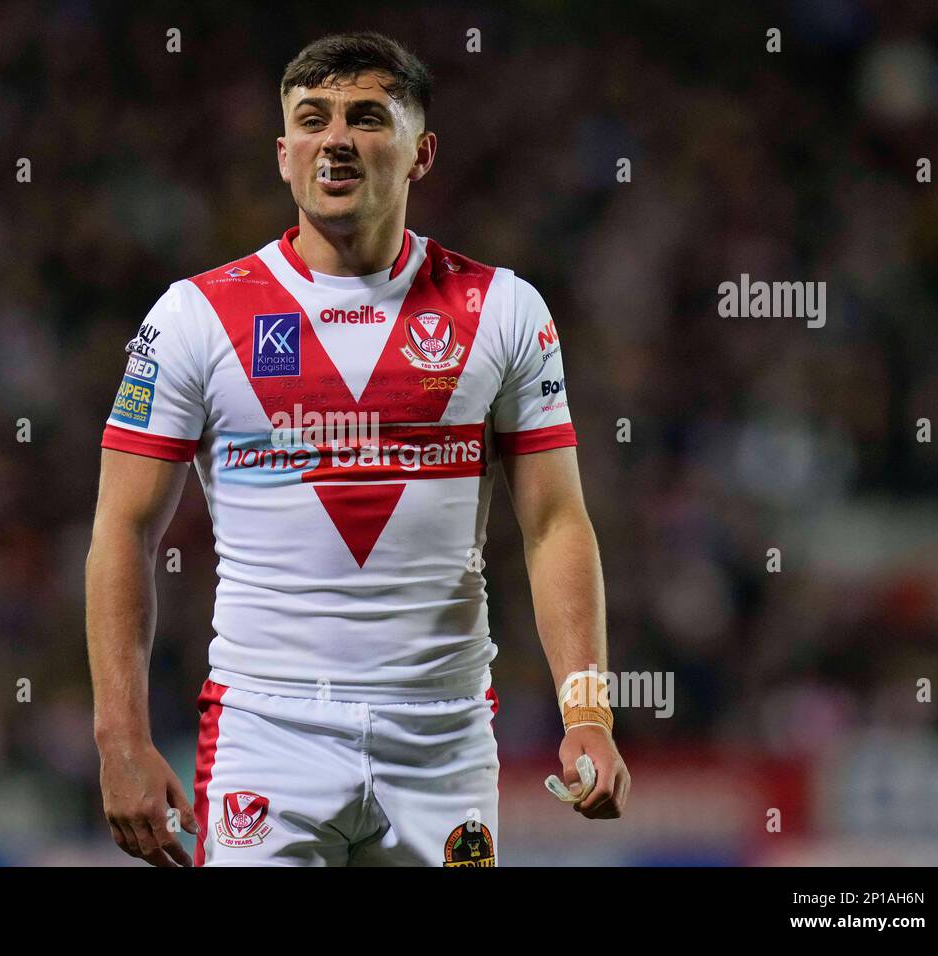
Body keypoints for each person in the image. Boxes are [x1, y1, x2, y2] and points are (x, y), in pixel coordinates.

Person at [85, 30, 629, 867]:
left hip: (443, 741)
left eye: (368, 117)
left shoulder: (504, 309)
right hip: (267, 732)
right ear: (283, 153)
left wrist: (587, 712)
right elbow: (123, 531)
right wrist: (119, 739)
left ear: (422, 153)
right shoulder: (193, 318)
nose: (335, 138)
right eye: (312, 118)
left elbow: (556, 522)